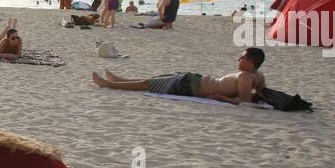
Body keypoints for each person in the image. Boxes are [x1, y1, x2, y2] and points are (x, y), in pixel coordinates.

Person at [91, 48, 267, 104]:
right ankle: (119, 80)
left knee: (148, 84)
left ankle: (110, 84)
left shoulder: (245, 76)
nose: (239, 59)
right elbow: (260, 95)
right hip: (193, 80)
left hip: (191, 87)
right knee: (157, 78)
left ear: (251, 62)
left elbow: (245, 102)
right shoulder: (258, 75)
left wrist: (222, 97)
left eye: (242, 57)